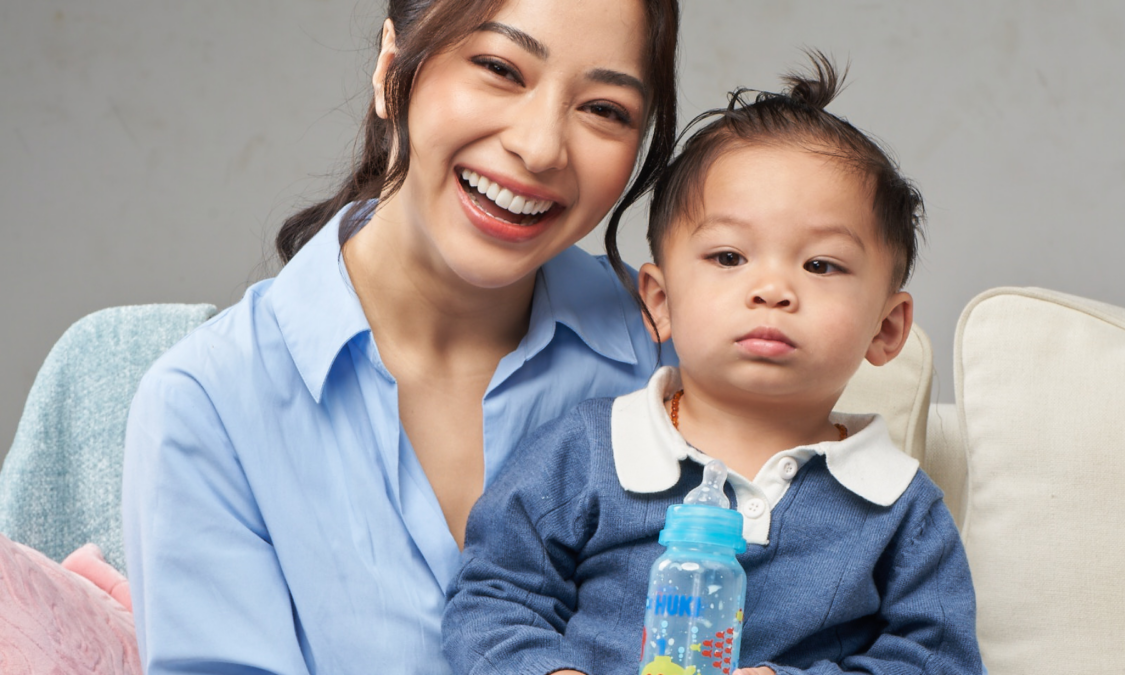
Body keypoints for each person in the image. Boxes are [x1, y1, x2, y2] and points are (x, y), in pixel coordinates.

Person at [121, 0, 680, 672]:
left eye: (605, 109)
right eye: (500, 68)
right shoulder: (208, 404)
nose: (539, 148)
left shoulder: (677, 356)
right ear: (392, 71)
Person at [443, 54, 983, 675]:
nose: (772, 290)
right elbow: (493, 599)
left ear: (886, 329)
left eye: (821, 265)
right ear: (660, 302)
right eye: (729, 257)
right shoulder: (590, 452)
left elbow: (939, 660)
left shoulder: (899, 506)